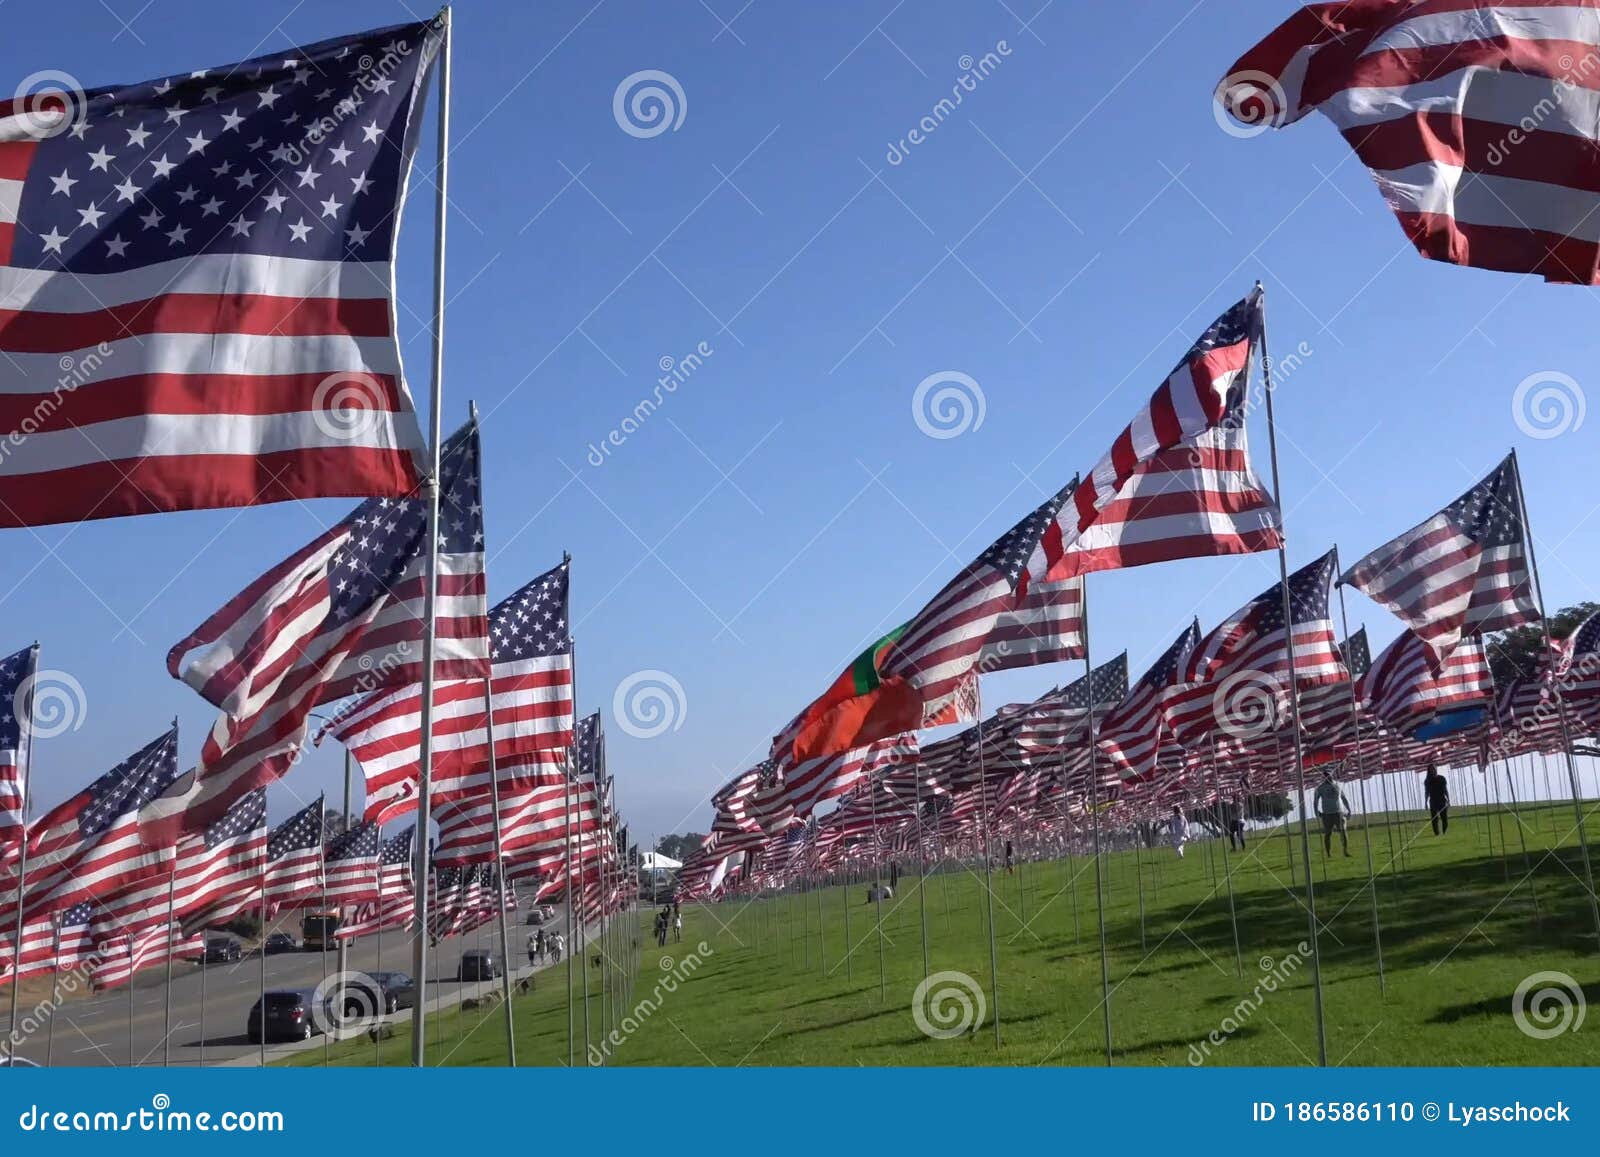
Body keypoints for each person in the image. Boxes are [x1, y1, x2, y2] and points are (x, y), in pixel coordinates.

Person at [1314, 771, 1351, 856]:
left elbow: (1344, 798)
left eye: (1329, 775)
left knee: (1343, 831)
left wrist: (1349, 809)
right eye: (1326, 776)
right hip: (1327, 814)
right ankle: (1328, 853)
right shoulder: (1320, 788)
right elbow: (1315, 801)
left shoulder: (1337, 785)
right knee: (1328, 833)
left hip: (1339, 812)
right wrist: (1316, 811)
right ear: (1323, 778)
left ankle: (1345, 851)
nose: (1328, 777)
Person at [1424, 763, 1450, 835]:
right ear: (1429, 771)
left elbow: (1445, 790)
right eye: (1430, 769)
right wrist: (1425, 803)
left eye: (1433, 768)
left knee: (1444, 818)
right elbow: (1427, 792)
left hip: (1442, 800)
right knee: (1434, 819)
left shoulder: (1442, 778)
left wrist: (1448, 800)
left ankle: (1444, 832)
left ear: (1435, 769)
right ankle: (1437, 834)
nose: (1432, 770)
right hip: (1433, 801)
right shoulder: (1427, 781)